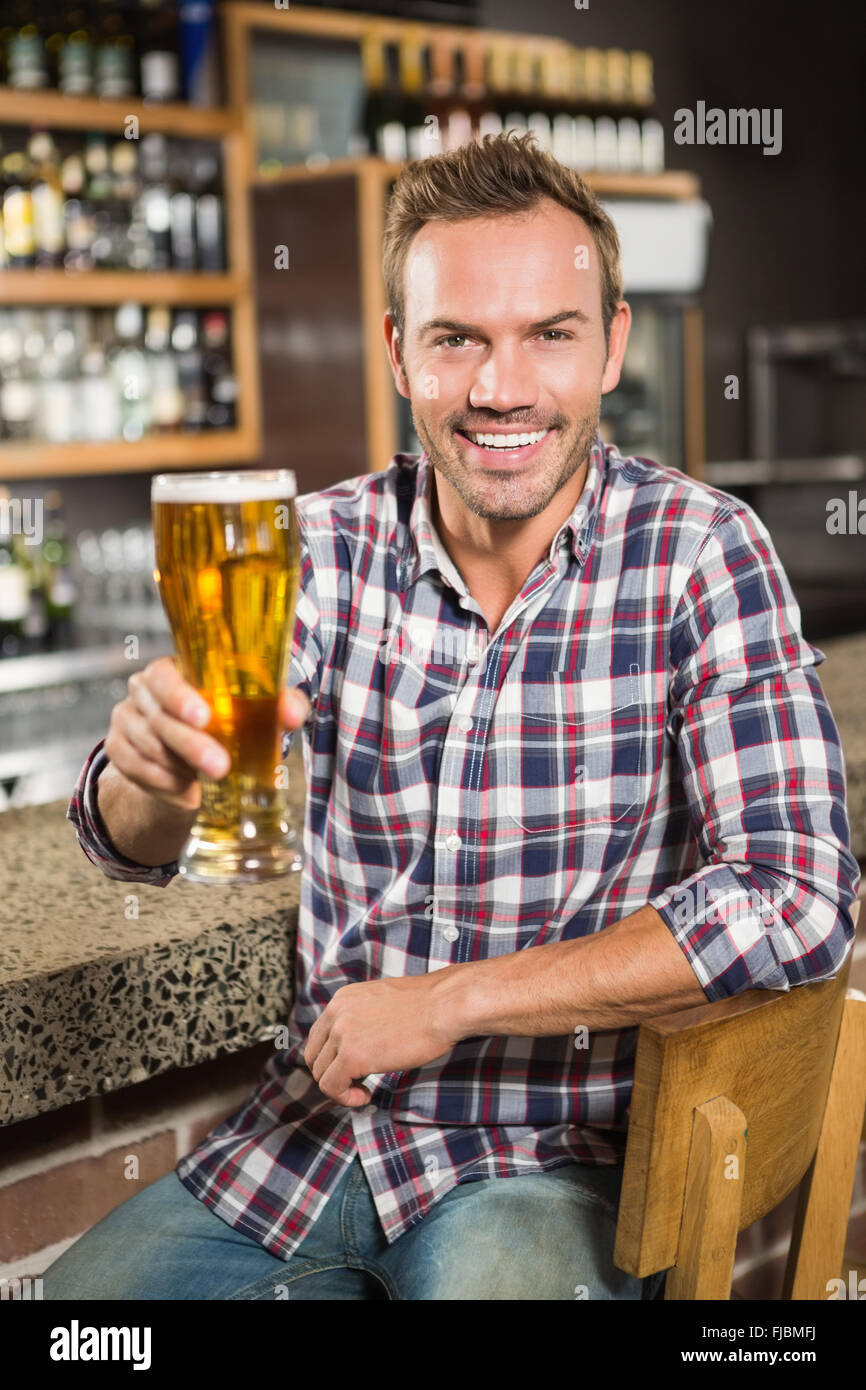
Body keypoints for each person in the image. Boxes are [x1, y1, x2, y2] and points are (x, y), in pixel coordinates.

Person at [46, 133, 859, 1301]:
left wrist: (448, 1001)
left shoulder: (698, 553)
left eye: (549, 335)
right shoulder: (314, 552)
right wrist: (150, 781)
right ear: (397, 351)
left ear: (612, 344)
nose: (501, 387)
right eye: (456, 338)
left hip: (546, 1169)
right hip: (303, 1148)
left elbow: (793, 896)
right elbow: (129, 842)